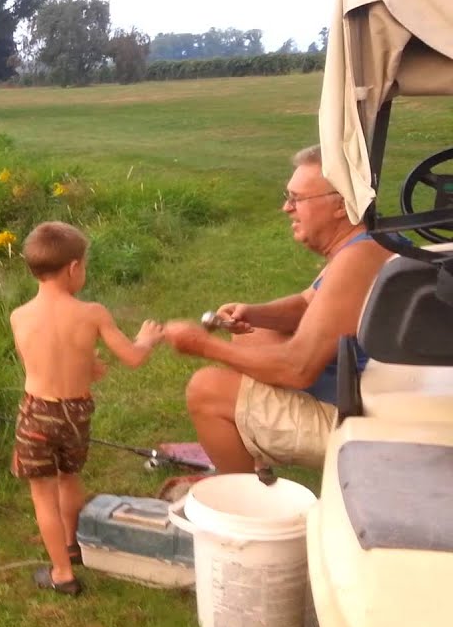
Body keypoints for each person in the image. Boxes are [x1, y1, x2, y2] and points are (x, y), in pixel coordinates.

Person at [163, 145, 397, 475]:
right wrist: (254, 314)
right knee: (251, 337)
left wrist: (201, 345)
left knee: (206, 389)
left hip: (369, 422)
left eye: (296, 198)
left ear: (341, 206)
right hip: (374, 392)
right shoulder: (368, 242)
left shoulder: (358, 259)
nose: (286, 207)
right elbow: (306, 303)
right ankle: (251, 446)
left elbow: (297, 369)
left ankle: (244, 498)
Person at [10, 221, 163, 595]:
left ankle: (61, 572)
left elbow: (34, 362)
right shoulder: (92, 313)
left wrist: (82, 364)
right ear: (74, 267)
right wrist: (145, 340)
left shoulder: (19, 315)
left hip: (37, 414)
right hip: (75, 412)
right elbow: (132, 358)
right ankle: (74, 546)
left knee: (42, 493)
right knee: (69, 477)